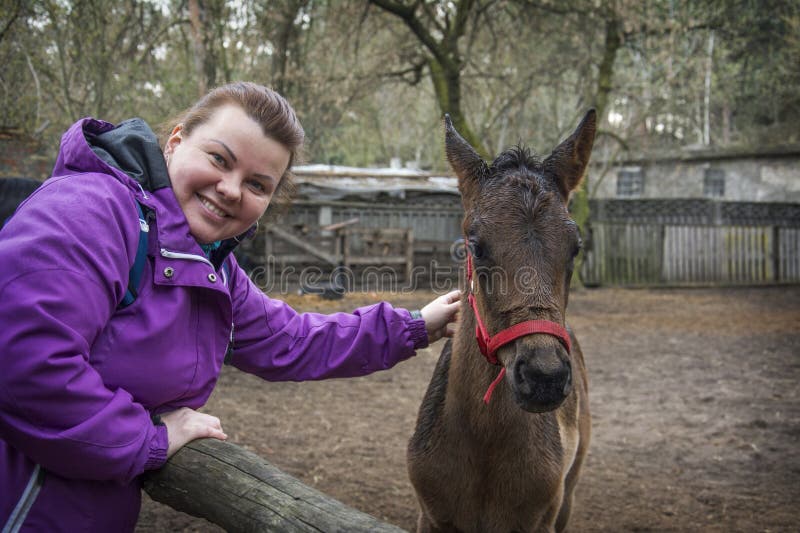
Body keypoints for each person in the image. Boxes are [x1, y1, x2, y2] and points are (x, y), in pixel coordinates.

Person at [0, 82, 460, 532]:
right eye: (219, 159)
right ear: (177, 141)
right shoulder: (91, 213)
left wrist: (418, 325)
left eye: (258, 184)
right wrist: (148, 440)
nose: (232, 190)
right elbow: (24, 365)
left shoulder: (208, 266)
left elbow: (291, 339)